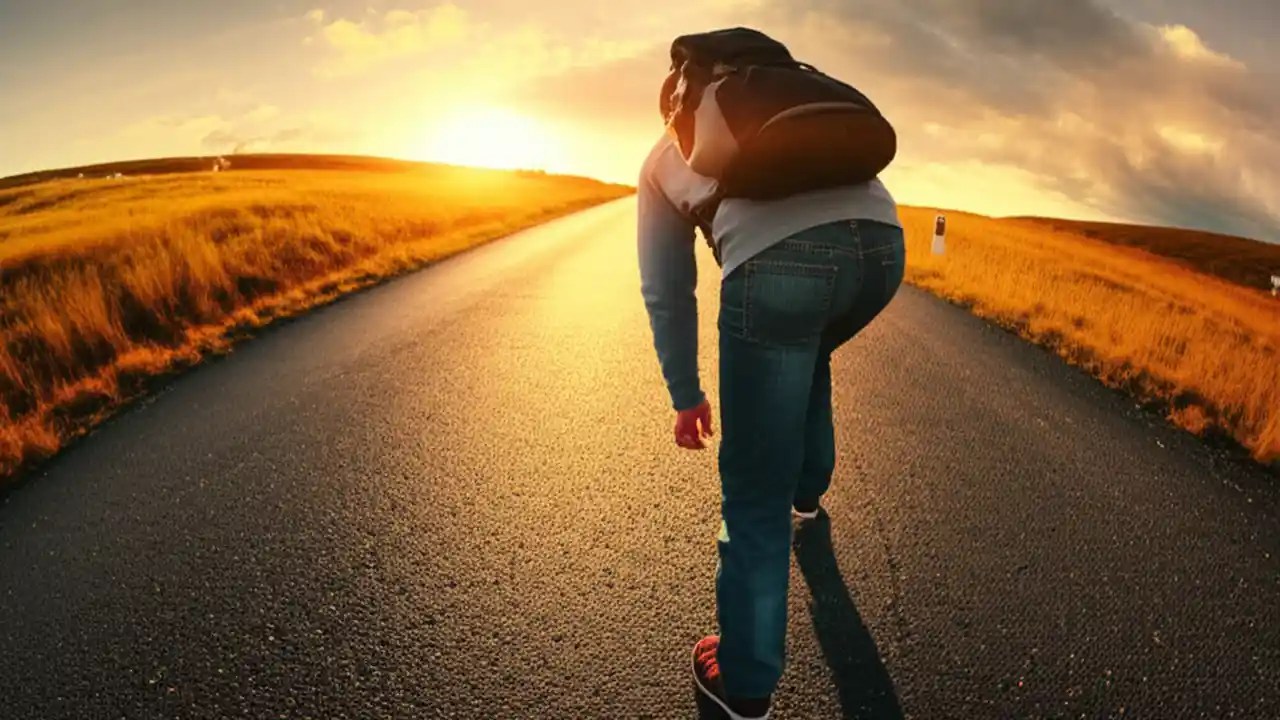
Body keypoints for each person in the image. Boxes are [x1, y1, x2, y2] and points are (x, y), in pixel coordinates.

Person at [637, 69, 906, 719]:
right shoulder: (787, 110)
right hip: (883, 250)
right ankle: (809, 499)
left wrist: (685, 392)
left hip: (781, 266)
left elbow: (668, 288)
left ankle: (743, 683)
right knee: (809, 354)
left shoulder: (664, 158)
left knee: (754, 482)